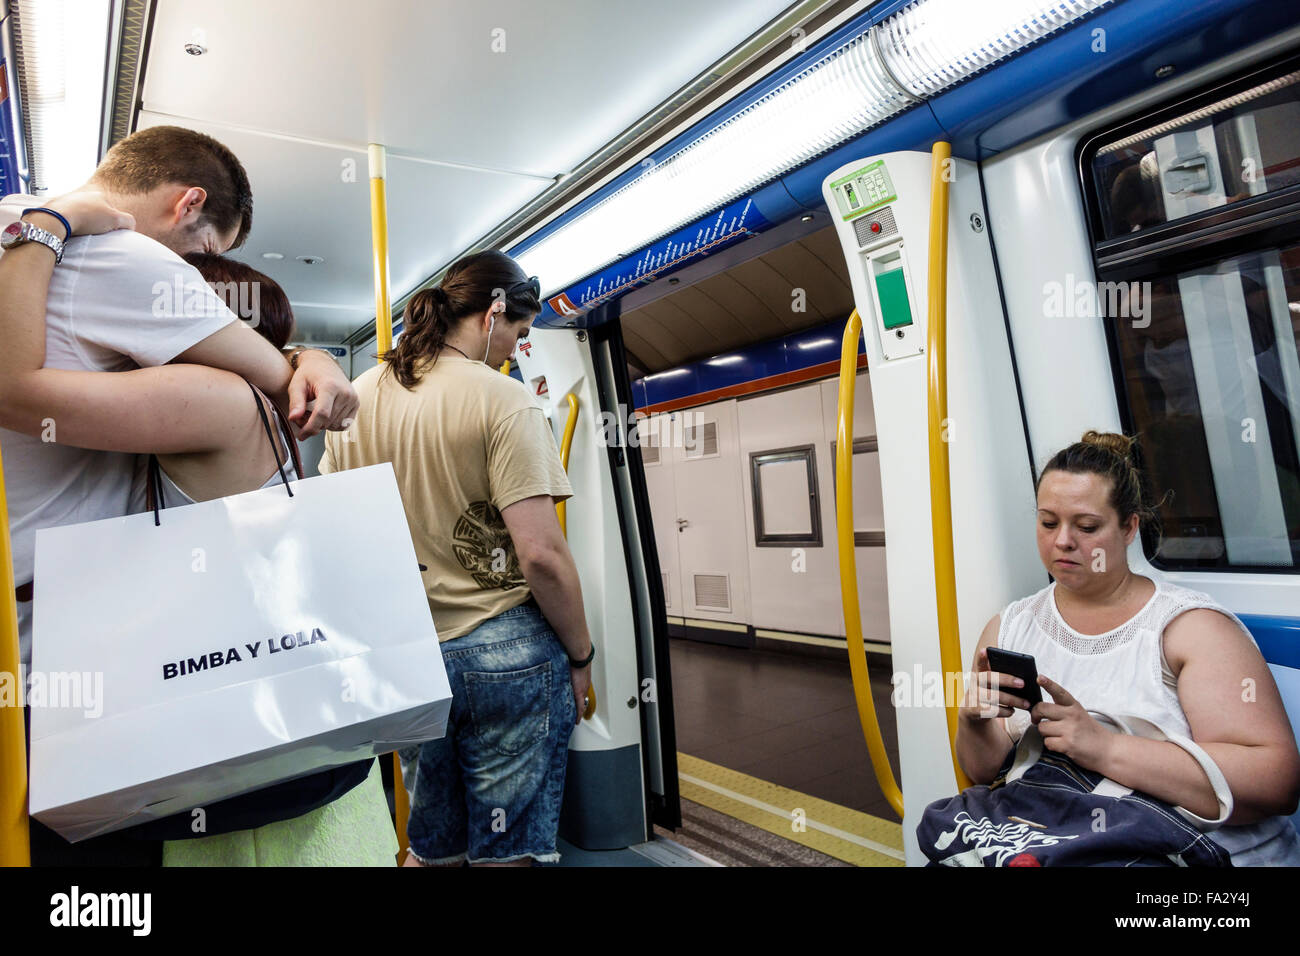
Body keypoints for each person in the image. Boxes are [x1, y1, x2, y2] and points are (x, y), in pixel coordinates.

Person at [0, 182, 360, 866]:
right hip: (272, 740)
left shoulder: (214, 399)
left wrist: (50, 225)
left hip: (197, 749)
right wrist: (309, 357)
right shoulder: (254, 402)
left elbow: (10, 388)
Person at [321, 251, 591, 866]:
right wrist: (582, 654)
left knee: (432, 845)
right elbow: (542, 555)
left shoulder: (355, 402)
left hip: (409, 653)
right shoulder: (503, 400)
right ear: (494, 311)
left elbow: (341, 537)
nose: (512, 352)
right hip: (505, 654)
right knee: (509, 852)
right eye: (518, 335)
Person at [956, 430, 1300, 865]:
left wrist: (1104, 748)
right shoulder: (1007, 629)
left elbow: (1275, 783)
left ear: (1129, 527)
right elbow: (983, 771)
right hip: (1062, 842)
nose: (1063, 541)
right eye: (1047, 522)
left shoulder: (1188, 629)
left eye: (1086, 527)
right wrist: (973, 722)